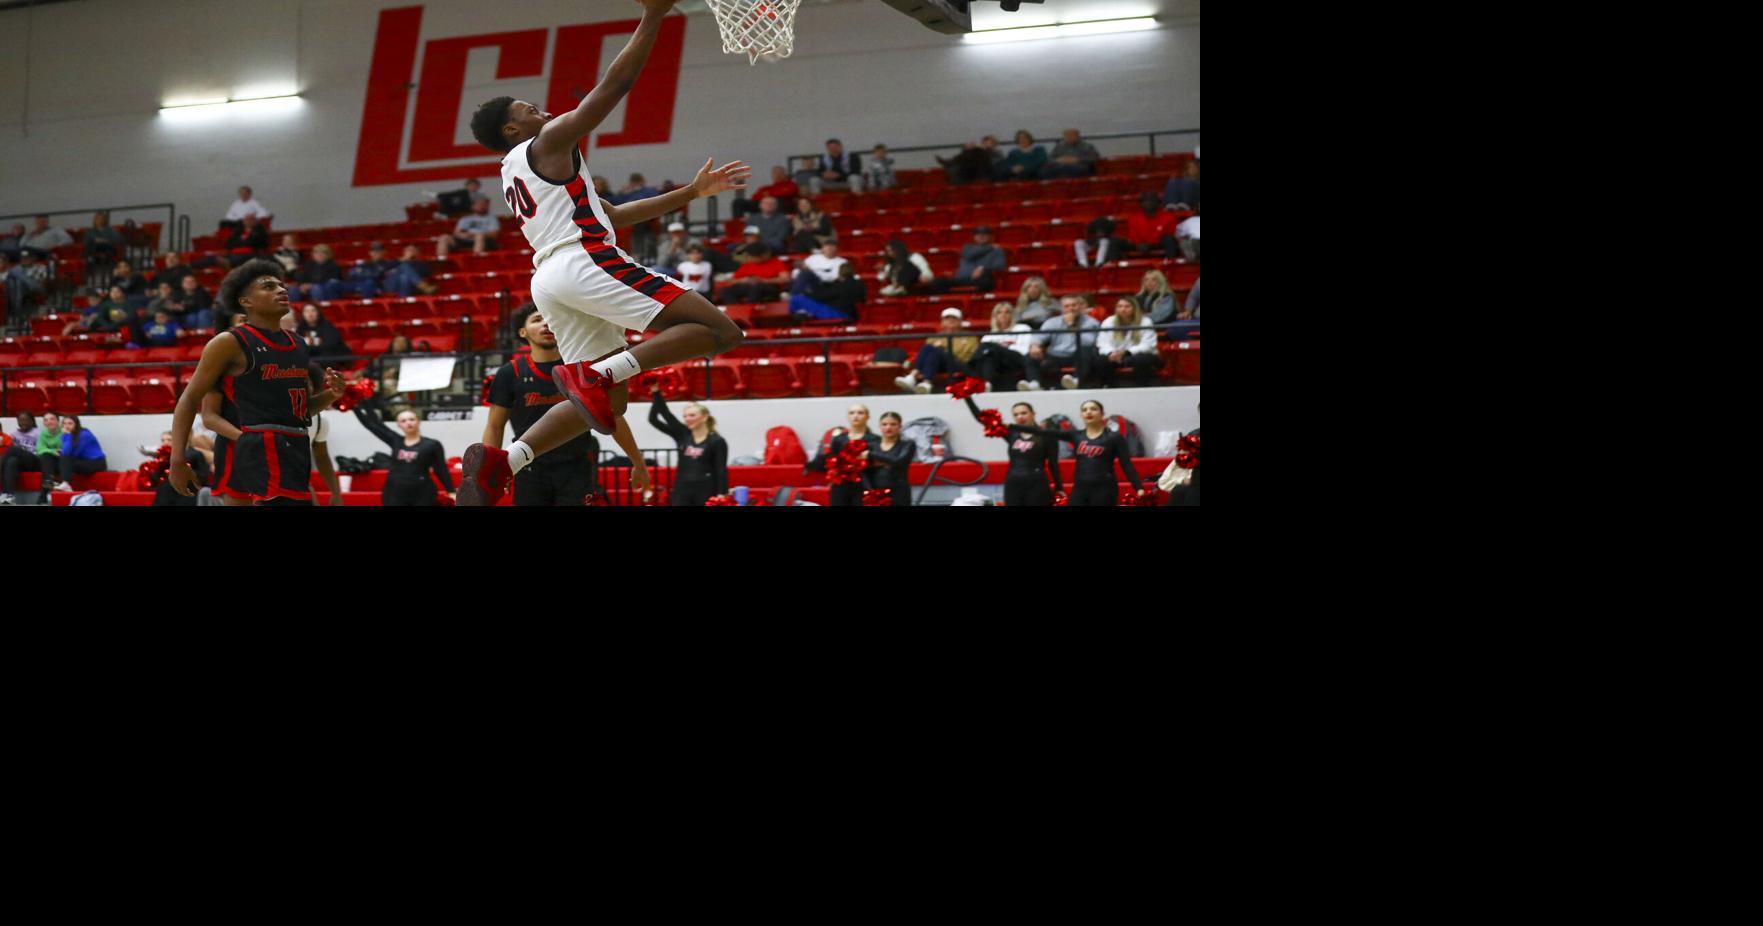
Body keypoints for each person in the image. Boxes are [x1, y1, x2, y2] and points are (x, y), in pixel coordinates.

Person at [456, 0, 750, 506]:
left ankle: (509, 461)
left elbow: (611, 214)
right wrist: (653, 16)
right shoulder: (547, 142)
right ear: (512, 130)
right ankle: (596, 373)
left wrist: (690, 193)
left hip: (551, 278)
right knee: (723, 332)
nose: (546, 112)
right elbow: (614, 87)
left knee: (607, 405)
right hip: (585, 261)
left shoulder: (514, 171)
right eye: (531, 111)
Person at [166, 259, 343, 505]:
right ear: (246, 302)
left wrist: (331, 395)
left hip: (295, 444)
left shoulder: (298, 344)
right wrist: (177, 458)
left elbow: (299, 413)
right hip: (258, 444)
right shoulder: (229, 342)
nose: (281, 290)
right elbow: (189, 399)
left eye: (281, 286)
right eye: (269, 286)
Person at [484, 305, 651, 506]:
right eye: (537, 320)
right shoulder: (509, 373)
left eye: (549, 319)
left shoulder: (581, 368)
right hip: (529, 469)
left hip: (577, 466)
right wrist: (487, 472)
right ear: (522, 332)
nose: (546, 324)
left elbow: (614, 416)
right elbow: (495, 426)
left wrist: (638, 462)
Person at [1038, 399, 1144, 506]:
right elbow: (1044, 432)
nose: (1088, 412)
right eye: (1084, 410)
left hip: (1104, 488)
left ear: (1102, 414)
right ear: (1081, 415)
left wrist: (1138, 487)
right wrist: (1026, 428)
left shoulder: (1114, 437)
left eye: (1093, 409)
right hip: (1080, 487)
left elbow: (1126, 464)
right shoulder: (1076, 436)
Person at [963, 397, 1061, 506]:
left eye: (1024, 413)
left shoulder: (1047, 435)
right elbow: (984, 420)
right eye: (1016, 414)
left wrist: (1059, 488)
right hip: (1013, 484)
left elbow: (1053, 464)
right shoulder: (1011, 433)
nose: (1020, 417)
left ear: (1033, 414)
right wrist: (968, 398)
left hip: (1037, 484)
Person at [353, 405, 454, 506]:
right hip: (395, 491)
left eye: (411, 419)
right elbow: (372, 424)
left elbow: (441, 469)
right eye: (403, 421)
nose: (408, 423)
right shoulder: (395, 440)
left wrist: (451, 491)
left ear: (418, 421)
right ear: (399, 425)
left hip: (422, 492)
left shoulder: (432, 444)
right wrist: (355, 406)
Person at [648, 394, 727, 506]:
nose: (687, 419)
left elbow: (721, 469)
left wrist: (722, 493)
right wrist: (656, 393)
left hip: (706, 489)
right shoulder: (682, 435)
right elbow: (657, 418)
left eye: (692, 415)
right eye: (685, 416)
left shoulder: (717, 441)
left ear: (704, 417)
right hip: (682, 490)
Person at [804, 404, 878, 506]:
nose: (856, 416)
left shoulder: (874, 440)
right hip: (841, 485)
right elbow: (831, 461)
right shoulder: (839, 439)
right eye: (852, 413)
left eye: (860, 413)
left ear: (867, 416)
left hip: (865, 484)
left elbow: (877, 465)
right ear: (848, 416)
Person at [895, 307, 979, 394]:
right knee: (928, 348)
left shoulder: (969, 337)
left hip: (958, 363)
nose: (951, 321)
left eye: (954, 318)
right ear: (942, 322)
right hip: (938, 364)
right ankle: (919, 379)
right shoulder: (935, 337)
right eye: (947, 318)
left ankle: (918, 378)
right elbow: (927, 355)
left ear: (960, 321)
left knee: (936, 350)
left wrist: (943, 348)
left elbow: (967, 356)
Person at [1031, 294, 1102, 390]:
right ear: (1062, 309)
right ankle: (1034, 383)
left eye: (1074, 305)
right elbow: (1039, 337)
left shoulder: (1091, 322)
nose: (1070, 309)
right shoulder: (1052, 322)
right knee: (1031, 354)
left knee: (1086, 351)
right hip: (1056, 355)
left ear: (1080, 307)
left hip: (1078, 356)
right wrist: (1035, 345)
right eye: (1067, 306)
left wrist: (1071, 326)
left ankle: (1076, 380)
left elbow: (1088, 342)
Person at [970, 301, 1040, 391]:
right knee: (988, 356)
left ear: (1012, 315)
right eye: (999, 312)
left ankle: (970, 366)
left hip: (1018, 359)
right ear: (995, 316)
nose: (1003, 315)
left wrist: (1001, 349)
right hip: (999, 364)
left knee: (987, 346)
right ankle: (986, 384)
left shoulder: (1022, 328)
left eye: (1007, 312)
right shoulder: (989, 335)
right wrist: (999, 350)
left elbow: (1024, 349)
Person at [1096, 298, 1162, 387]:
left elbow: (1148, 345)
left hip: (1138, 355)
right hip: (1115, 355)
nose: (1123, 309)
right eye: (1120, 306)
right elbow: (1102, 343)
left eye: (1127, 306)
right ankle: (1109, 387)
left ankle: (1142, 387)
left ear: (1134, 308)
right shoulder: (1109, 321)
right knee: (1100, 360)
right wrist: (1111, 353)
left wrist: (1126, 352)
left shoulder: (1145, 321)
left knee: (1141, 359)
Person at [927, 226, 1007, 293]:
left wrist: (984, 269)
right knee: (937, 282)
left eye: (984, 234)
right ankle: (954, 300)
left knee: (987, 282)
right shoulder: (968, 247)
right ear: (974, 237)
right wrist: (990, 247)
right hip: (961, 279)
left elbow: (1000, 265)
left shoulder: (997, 250)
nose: (981, 236)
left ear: (990, 236)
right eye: (978, 234)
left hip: (979, 280)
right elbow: (969, 255)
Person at [865, 412, 916, 506]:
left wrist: (870, 455)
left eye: (893, 424)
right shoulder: (871, 445)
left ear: (900, 426)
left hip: (899, 492)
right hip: (875, 490)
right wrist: (870, 491)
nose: (888, 427)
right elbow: (864, 472)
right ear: (879, 426)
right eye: (884, 424)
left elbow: (899, 461)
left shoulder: (907, 444)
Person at [1115, 191, 1180, 260]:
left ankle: (1171, 262)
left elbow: (1169, 236)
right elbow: (1134, 238)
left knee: (1169, 239)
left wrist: (1151, 246)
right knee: (1116, 242)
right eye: (1145, 201)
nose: (1148, 203)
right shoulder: (1133, 218)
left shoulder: (1169, 217)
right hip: (1139, 246)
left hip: (1159, 245)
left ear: (1158, 203)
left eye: (1151, 200)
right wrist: (1139, 245)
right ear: (1141, 204)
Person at [50, 414, 107, 493]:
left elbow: (70, 453)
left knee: (64, 459)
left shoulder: (84, 434)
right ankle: (52, 484)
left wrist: (67, 436)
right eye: (64, 423)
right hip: (83, 461)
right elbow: (67, 451)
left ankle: (66, 483)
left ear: (76, 424)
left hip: (97, 463)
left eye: (70, 423)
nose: (66, 426)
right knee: (54, 460)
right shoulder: (66, 435)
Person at [716, 245, 792, 303]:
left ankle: (751, 310)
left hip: (768, 286)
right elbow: (731, 281)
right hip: (747, 286)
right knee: (727, 290)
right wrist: (743, 280)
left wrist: (763, 280)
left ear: (762, 256)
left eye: (752, 256)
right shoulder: (747, 265)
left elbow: (785, 279)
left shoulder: (776, 263)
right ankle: (733, 312)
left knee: (756, 287)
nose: (750, 258)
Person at [792, 261, 866, 322]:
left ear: (839, 273)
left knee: (797, 298)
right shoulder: (860, 284)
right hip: (851, 314)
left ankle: (793, 320)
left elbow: (821, 297)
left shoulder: (840, 285)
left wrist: (805, 294)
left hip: (837, 313)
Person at [0, 412, 45, 505]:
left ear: (32, 421)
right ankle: (9, 495)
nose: (23, 422)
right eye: (20, 420)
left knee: (12, 449)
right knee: (11, 461)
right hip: (21, 464)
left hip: (35, 461)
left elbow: (42, 450)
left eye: (25, 420)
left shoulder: (38, 433)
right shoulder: (14, 434)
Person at [435, 198, 500, 259]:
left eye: (483, 205)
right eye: (478, 204)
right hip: (465, 239)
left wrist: (477, 234)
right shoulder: (465, 219)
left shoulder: (492, 219)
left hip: (483, 240)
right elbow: (456, 233)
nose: (480, 207)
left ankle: (476, 261)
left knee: (479, 236)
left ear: (486, 207)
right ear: (473, 206)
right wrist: (462, 235)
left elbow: (494, 234)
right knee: (444, 238)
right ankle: (442, 261)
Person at [732, 165, 799, 219]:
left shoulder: (791, 185)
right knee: (738, 202)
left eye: (780, 173)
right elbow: (755, 197)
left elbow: (788, 193)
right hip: (763, 206)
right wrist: (768, 197)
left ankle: (778, 221)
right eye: (775, 173)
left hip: (781, 208)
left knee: (778, 199)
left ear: (784, 174)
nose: (777, 175)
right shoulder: (766, 188)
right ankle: (738, 223)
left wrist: (768, 195)